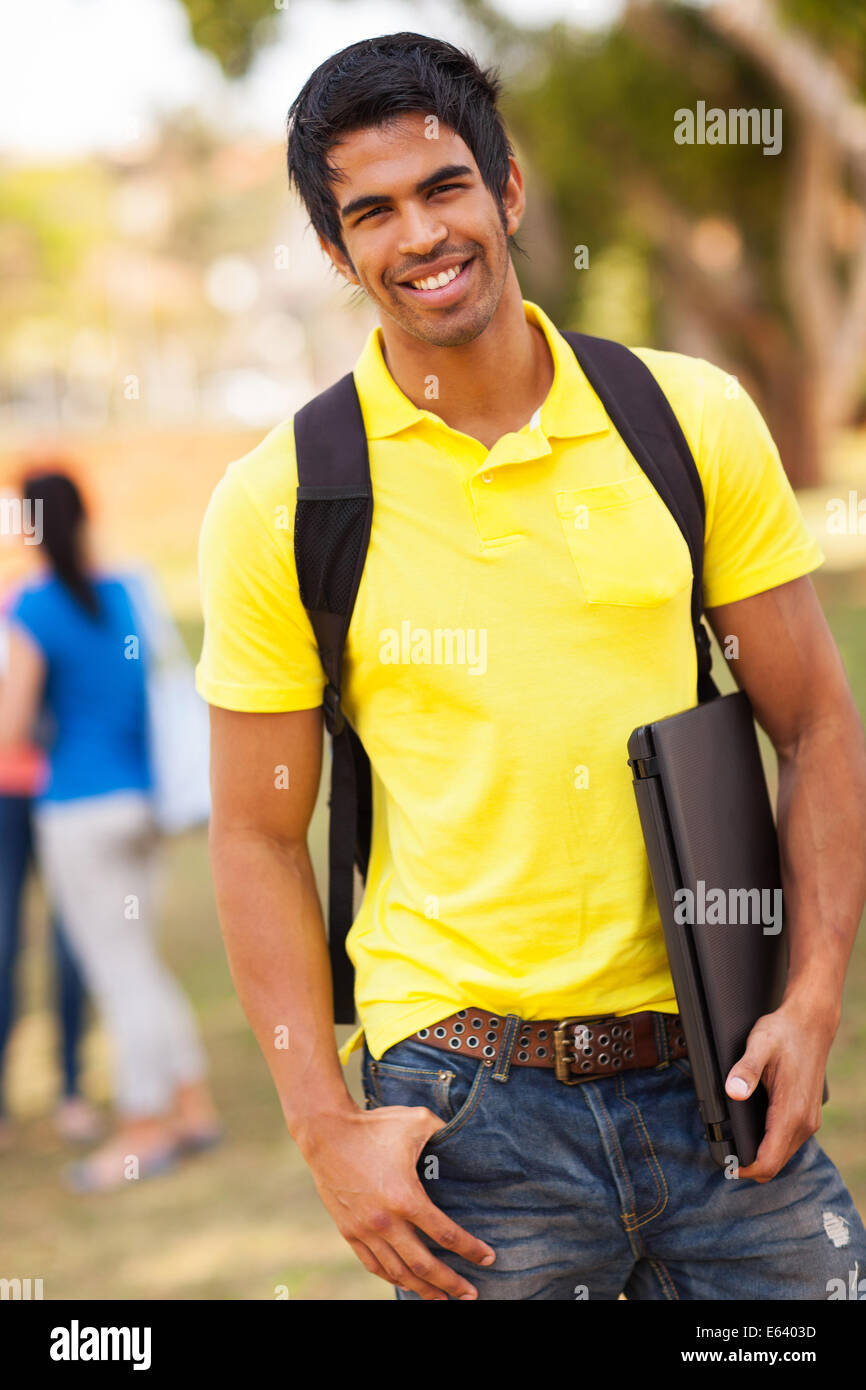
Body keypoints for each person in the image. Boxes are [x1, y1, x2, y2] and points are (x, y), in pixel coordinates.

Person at [195, 33, 866, 1299]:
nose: (420, 234)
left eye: (444, 186)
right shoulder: (281, 499)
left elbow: (819, 724)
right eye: (372, 212)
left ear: (504, 190)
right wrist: (321, 1124)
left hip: (711, 1064)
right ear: (338, 254)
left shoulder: (687, 420)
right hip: (464, 1111)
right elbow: (253, 837)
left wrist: (813, 995)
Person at [0, 467, 221, 1192]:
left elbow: (11, 732)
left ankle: (141, 1128)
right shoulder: (128, 590)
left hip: (79, 810)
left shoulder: (34, 607)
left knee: (116, 971)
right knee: (140, 962)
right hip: (141, 804)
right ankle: (192, 1107)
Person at [0, 598, 98, 1148]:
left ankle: (72, 1089)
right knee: (7, 941)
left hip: (64, 791)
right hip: (13, 794)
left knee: (70, 942)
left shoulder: (50, 599)